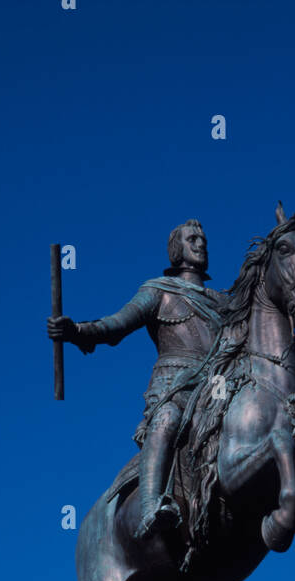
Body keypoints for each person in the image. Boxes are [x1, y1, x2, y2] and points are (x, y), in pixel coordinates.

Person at [47, 220, 227, 541]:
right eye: (192, 239)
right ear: (176, 250)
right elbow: (117, 325)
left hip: (217, 386)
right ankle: (151, 506)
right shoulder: (158, 291)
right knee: (167, 419)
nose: (201, 244)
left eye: (203, 239)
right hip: (176, 385)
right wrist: (76, 331)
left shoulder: (223, 302)